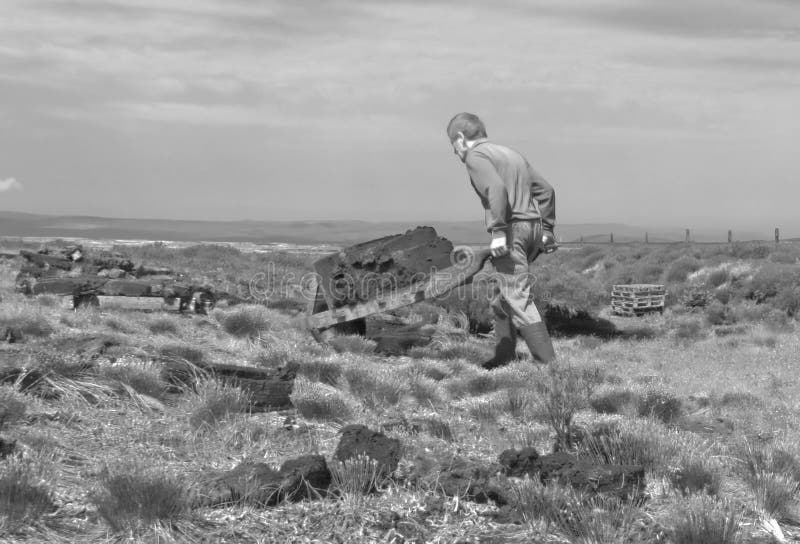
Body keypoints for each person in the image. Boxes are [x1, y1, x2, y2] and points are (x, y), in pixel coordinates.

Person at [447, 112, 557, 368]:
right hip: (532, 229)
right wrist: (547, 229)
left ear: (461, 138)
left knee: (518, 296)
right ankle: (503, 356)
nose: (455, 152)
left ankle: (551, 368)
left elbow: (495, 188)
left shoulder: (476, 156)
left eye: (453, 144)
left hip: (511, 230)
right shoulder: (511, 154)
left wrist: (498, 231)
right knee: (503, 297)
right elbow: (547, 191)